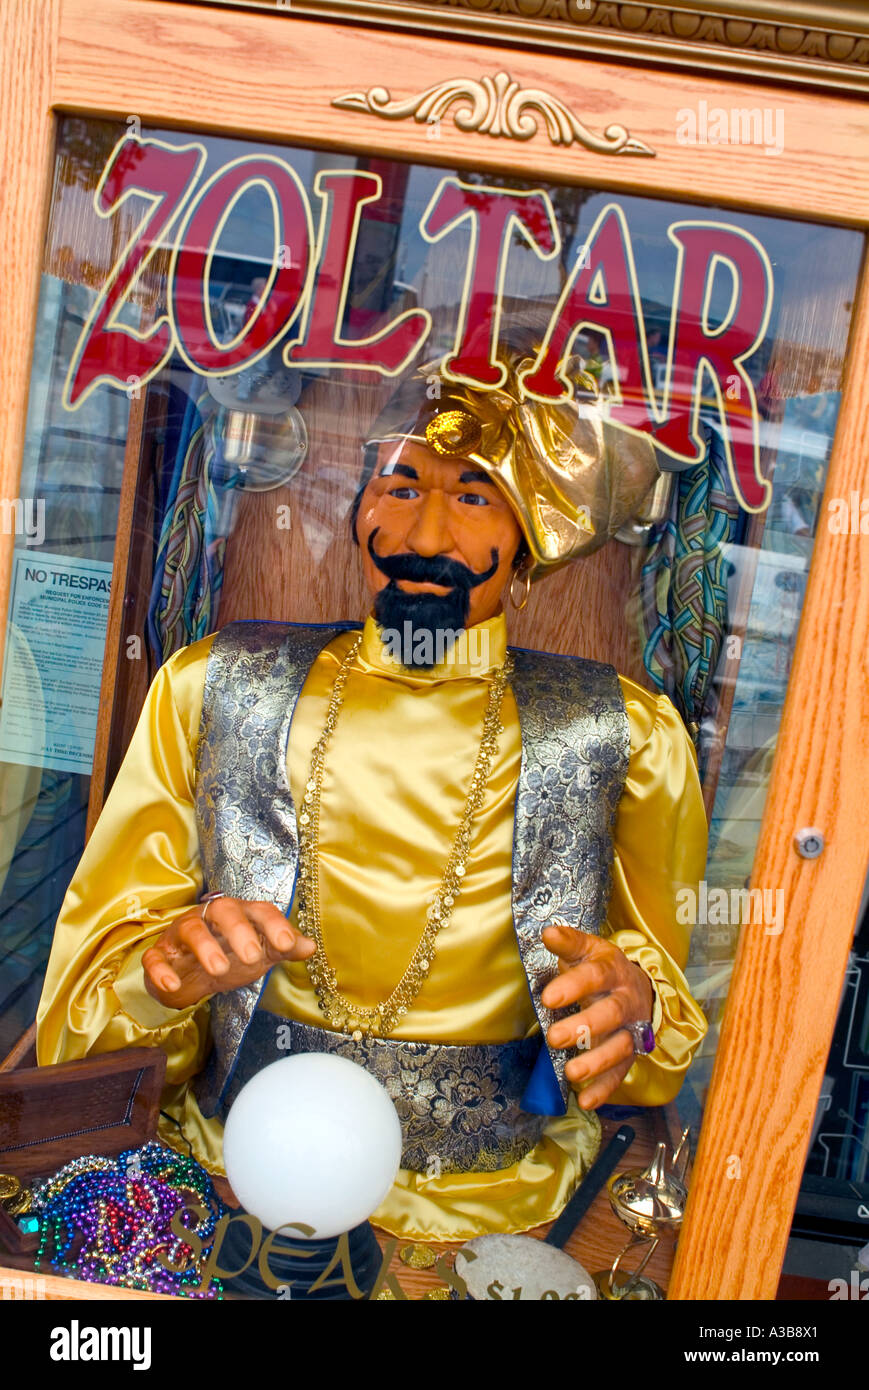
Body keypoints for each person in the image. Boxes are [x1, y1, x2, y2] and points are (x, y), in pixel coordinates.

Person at [37, 353, 708, 1241]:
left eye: (472, 498)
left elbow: (657, 1013)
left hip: (494, 1204)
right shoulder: (213, 687)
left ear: (531, 540)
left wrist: (633, 1003)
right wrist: (162, 976)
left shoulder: (625, 735)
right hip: (229, 1172)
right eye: (398, 487)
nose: (425, 538)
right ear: (356, 507)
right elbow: (84, 1007)